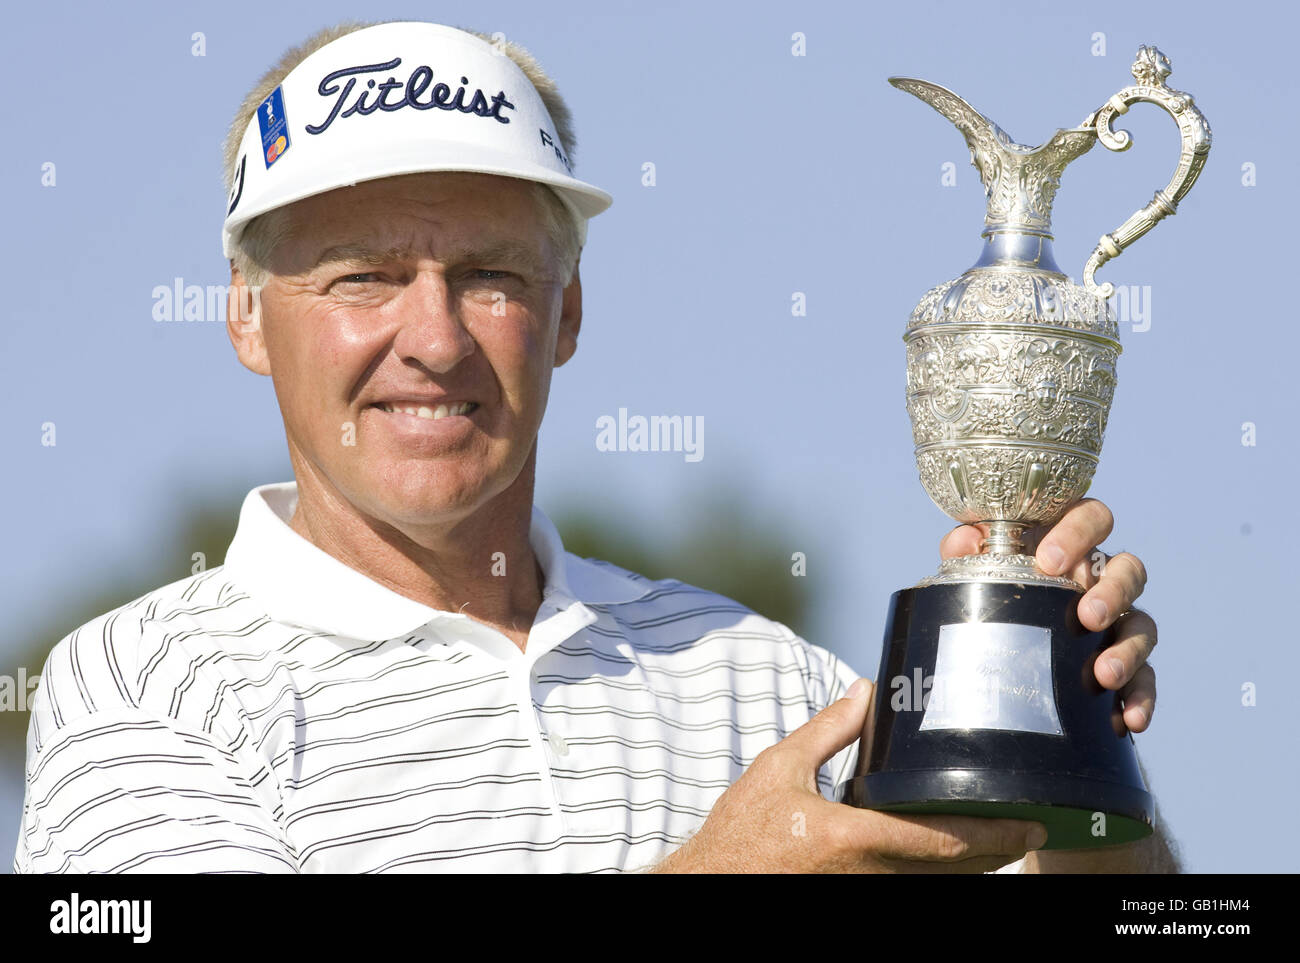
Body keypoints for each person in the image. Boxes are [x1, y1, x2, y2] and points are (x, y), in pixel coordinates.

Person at [13, 19, 1168, 874]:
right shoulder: (142, 685)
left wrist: (1068, 740)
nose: (431, 339)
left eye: (491, 277)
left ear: (566, 314)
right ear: (246, 316)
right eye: (360, 276)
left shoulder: (764, 680)